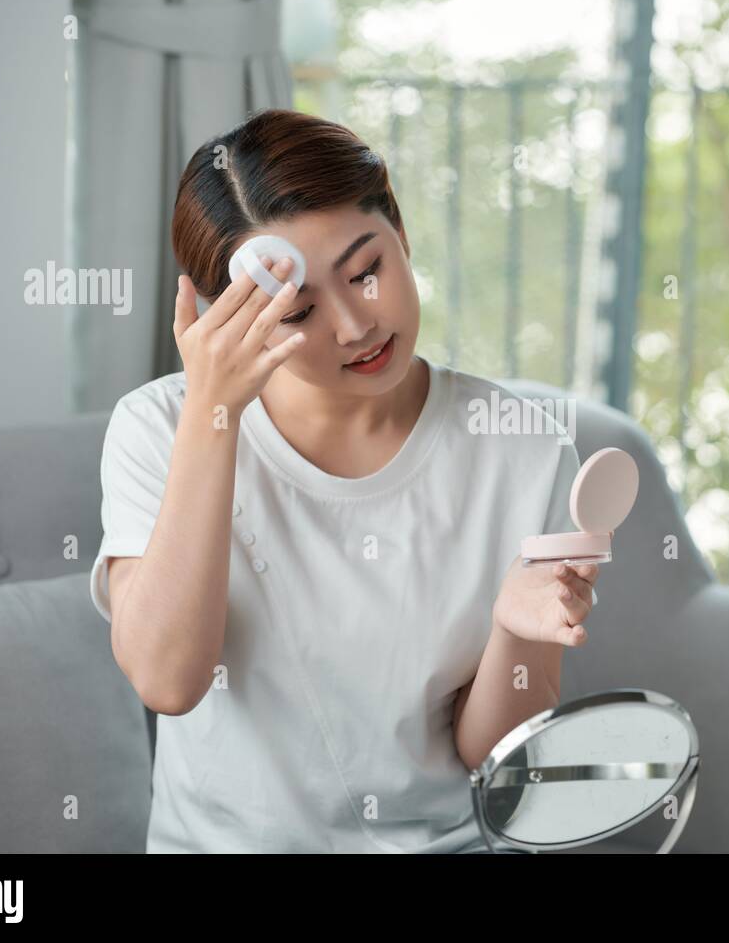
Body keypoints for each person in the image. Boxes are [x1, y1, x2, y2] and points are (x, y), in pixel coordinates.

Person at [89, 108, 598, 853]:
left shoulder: (522, 449)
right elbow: (169, 682)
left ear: (399, 229)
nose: (356, 325)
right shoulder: (157, 430)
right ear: (226, 317)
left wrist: (514, 632)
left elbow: (492, 755)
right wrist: (213, 413)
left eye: (367, 272)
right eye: (298, 310)